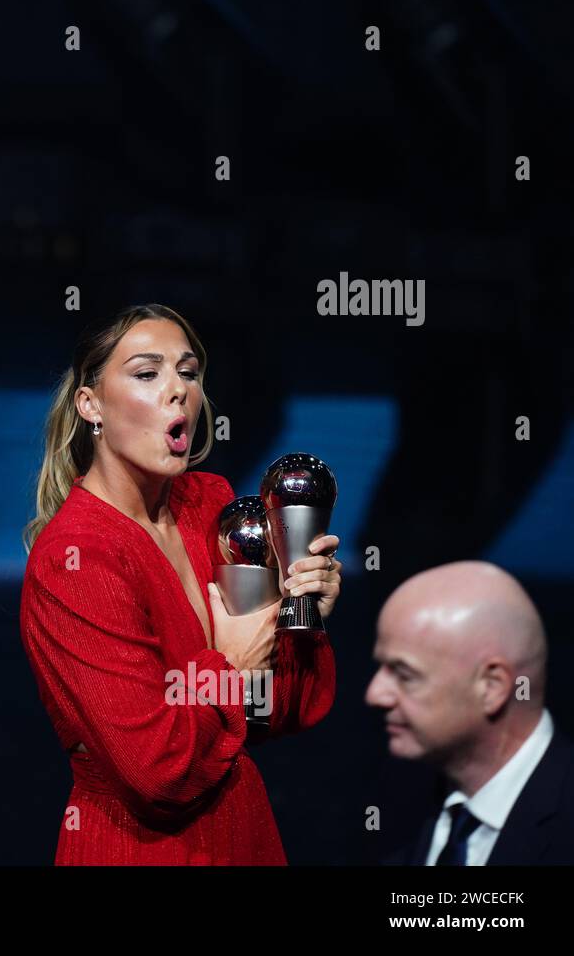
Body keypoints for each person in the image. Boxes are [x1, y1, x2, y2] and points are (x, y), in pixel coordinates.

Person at [19, 304, 340, 864]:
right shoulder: (75, 560)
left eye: (188, 373)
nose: (178, 392)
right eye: (147, 374)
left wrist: (298, 621)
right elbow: (155, 770)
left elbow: (269, 712)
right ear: (90, 405)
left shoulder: (211, 506)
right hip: (141, 847)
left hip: (240, 831)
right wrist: (232, 669)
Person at [368, 561, 574, 864]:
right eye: (381, 668)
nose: (375, 695)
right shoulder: (393, 798)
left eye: (404, 674)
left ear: (492, 687)